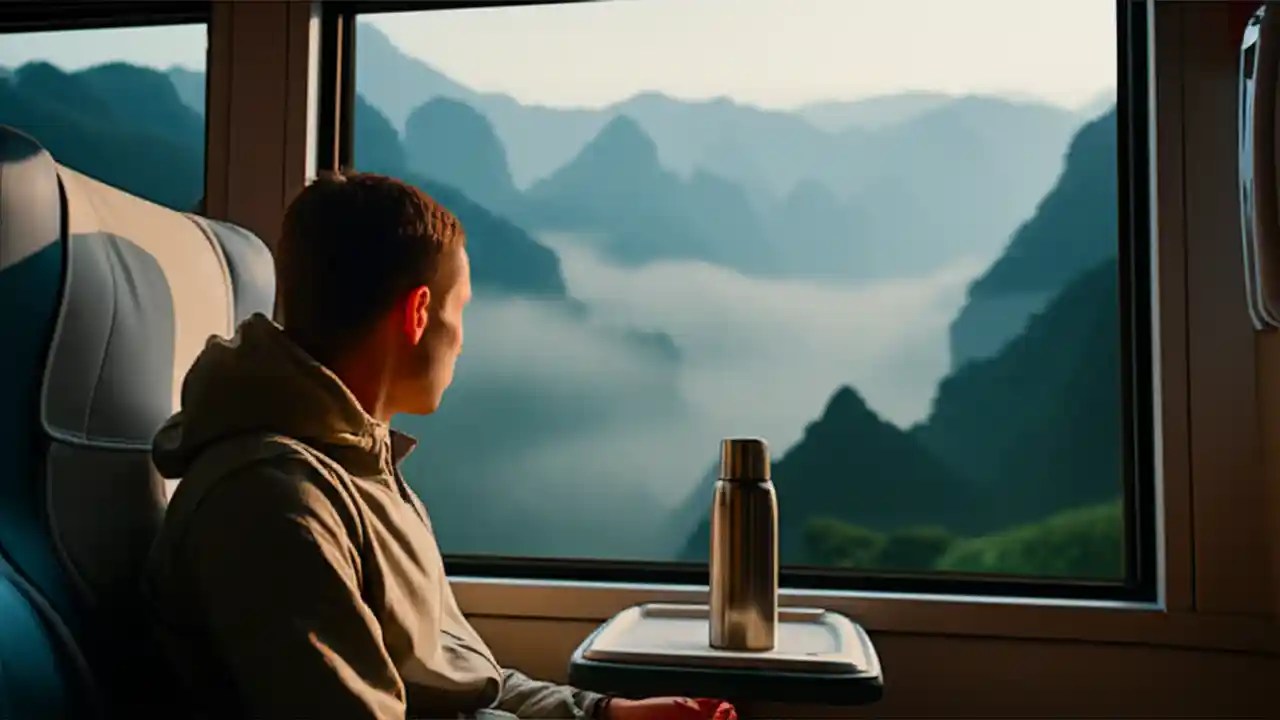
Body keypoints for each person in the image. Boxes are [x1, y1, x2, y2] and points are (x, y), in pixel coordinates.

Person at [144, 173, 735, 720]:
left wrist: (604, 714)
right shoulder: (273, 505)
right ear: (420, 312)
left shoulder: (360, 469)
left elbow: (459, 679)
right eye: (461, 311)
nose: (462, 341)